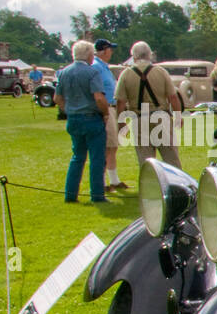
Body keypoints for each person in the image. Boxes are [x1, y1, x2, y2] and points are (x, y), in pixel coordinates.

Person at [54, 40, 110, 203]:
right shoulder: (92, 73)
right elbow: (99, 98)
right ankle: (97, 195)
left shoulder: (64, 73)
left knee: (77, 157)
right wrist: (105, 113)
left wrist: (69, 110)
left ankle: (70, 194)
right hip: (91, 118)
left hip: (74, 118)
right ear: (89, 55)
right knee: (97, 158)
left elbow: (57, 98)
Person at [114, 40, 183, 169]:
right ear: (149, 54)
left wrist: (121, 123)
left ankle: (150, 186)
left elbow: (120, 102)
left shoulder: (126, 74)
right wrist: (178, 116)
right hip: (161, 117)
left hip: (139, 119)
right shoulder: (161, 72)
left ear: (134, 56)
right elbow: (173, 97)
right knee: (171, 159)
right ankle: (177, 186)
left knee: (146, 162)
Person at [92, 39, 127, 191]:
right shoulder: (96, 67)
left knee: (113, 145)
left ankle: (114, 179)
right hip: (105, 108)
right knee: (107, 146)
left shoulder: (104, 67)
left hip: (111, 107)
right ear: (104, 50)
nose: (111, 52)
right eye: (110, 49)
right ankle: (104, 181)